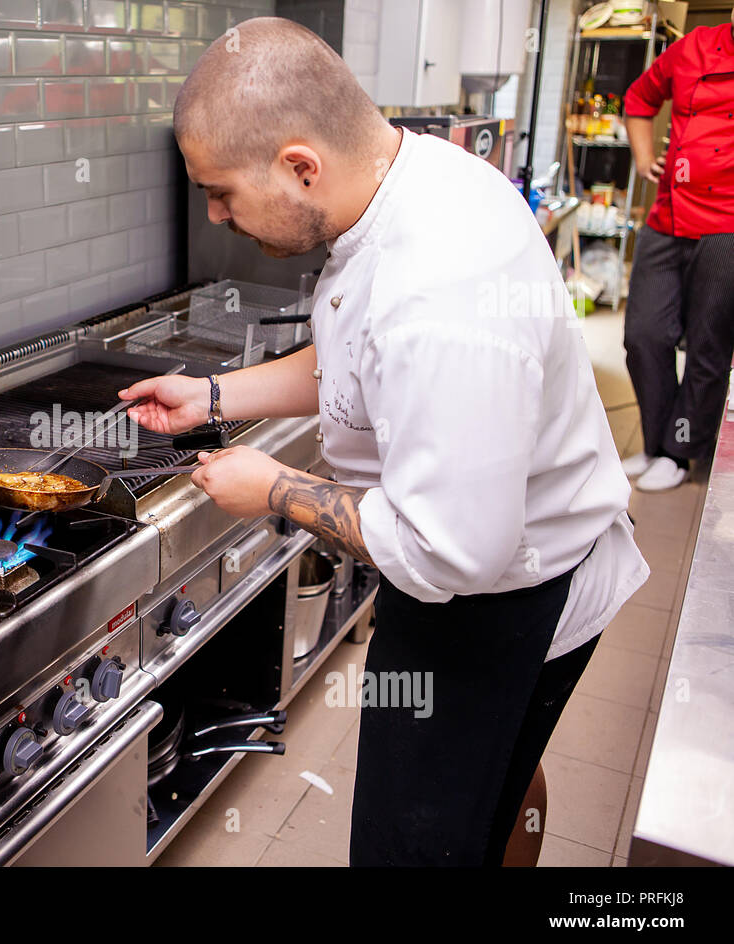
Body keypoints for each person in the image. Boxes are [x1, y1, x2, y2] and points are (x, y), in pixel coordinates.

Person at [119, 18, 650, 866]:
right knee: (493, 789)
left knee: (416, 843)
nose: (215, 213)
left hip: (500, 595)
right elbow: (353, 356)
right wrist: (213, 396)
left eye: (220, 191)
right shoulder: (403, 177)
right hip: (480, 562)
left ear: (301, 166)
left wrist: (275, 489)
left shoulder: (443, 285)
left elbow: (453, 552)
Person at [621, 10, 734, 492]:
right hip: (668, 214)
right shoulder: (692, 48)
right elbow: (639, 98)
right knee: (644, 335)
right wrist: (646, 158)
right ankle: (653, 441)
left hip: (727, 225)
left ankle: (679, 449)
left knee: (708, 347)